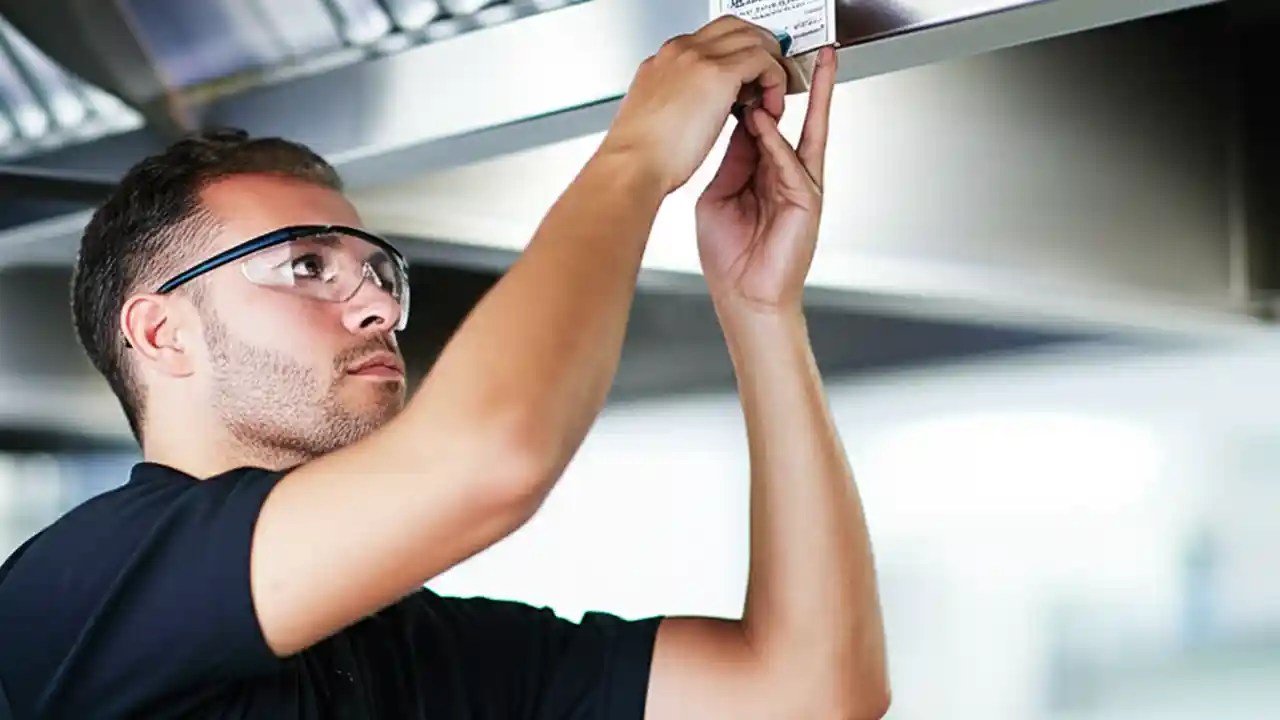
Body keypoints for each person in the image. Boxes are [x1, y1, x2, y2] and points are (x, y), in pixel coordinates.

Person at [0, 16, 888, 720]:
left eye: (378, 274)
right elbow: (493, 456)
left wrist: (759, 310)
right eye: (306, 266)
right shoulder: (84, 585)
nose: (379, 307)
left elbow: (808, 691)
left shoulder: (425, 651)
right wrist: (636, 154)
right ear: (162, 334)